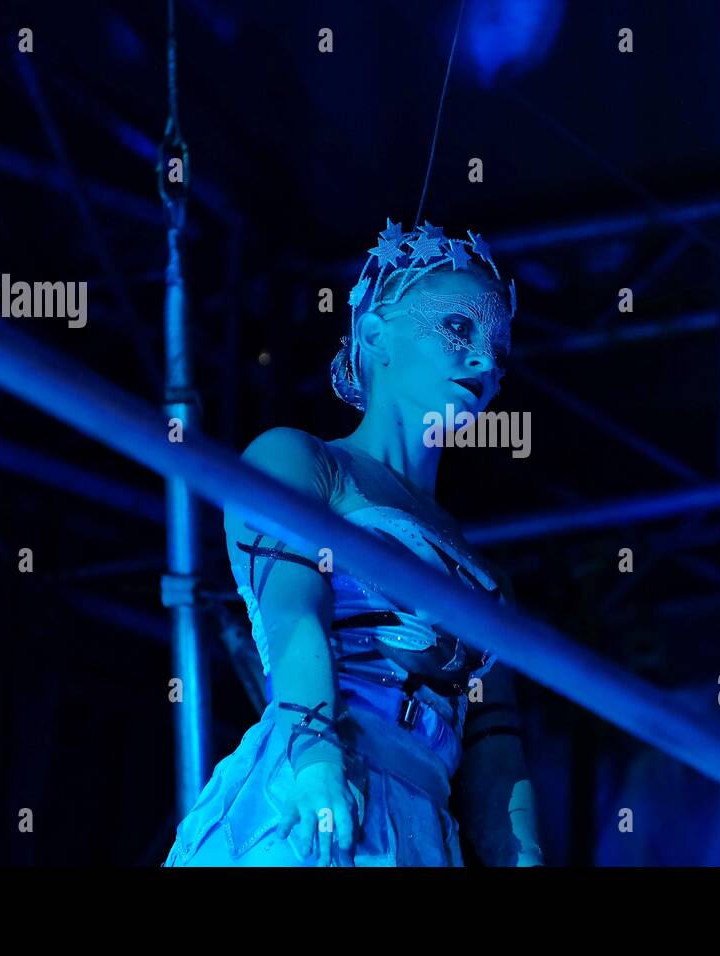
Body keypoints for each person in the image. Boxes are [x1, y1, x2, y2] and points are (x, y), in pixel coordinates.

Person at [163, 219, 544, 866]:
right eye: (458, 327)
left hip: (423, 829)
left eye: (500, 351)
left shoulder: (486, 576)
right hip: (315, 788)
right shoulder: (301, 460)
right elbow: (292, 615)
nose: (486, 360)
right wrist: (315, 761)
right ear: (374, 334)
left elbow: (495, 749)